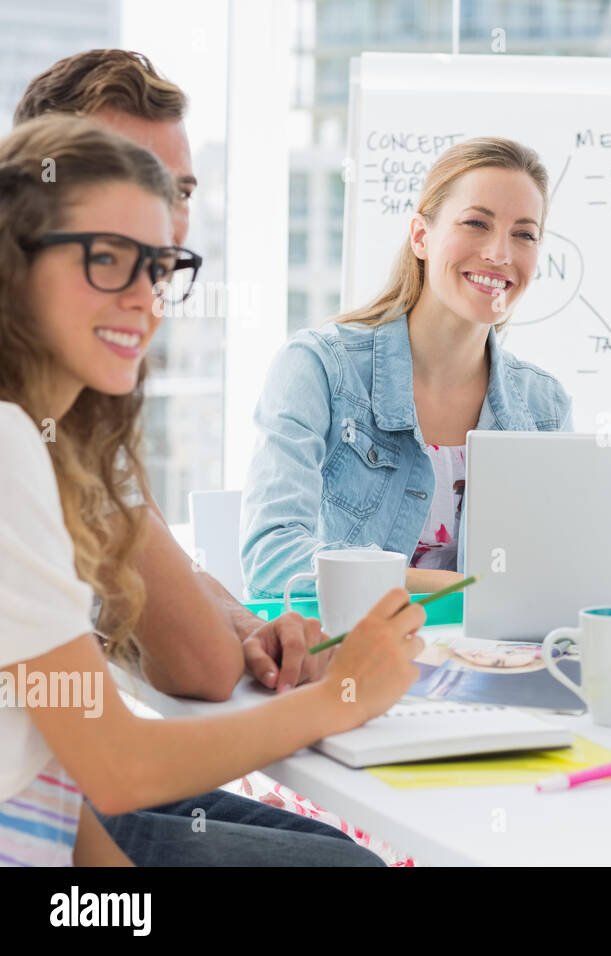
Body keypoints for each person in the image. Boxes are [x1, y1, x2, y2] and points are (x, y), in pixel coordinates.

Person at [0, 114, 426, 866]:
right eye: (107, 259)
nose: (144, 298)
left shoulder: (45, 444)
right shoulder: (9, 447)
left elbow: (51, 773)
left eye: (159, 266)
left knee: (339, 857)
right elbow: (117, 765)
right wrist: (340, 697)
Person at [241, 137, 572, 601]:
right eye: (476, 223)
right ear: (421, 236)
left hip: (486, 665)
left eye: (524, 234)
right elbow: (271, 561)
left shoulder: (545, 407)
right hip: (350, 660)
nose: (500, 253)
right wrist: (459, 589)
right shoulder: (319, 368)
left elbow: (554, 578)